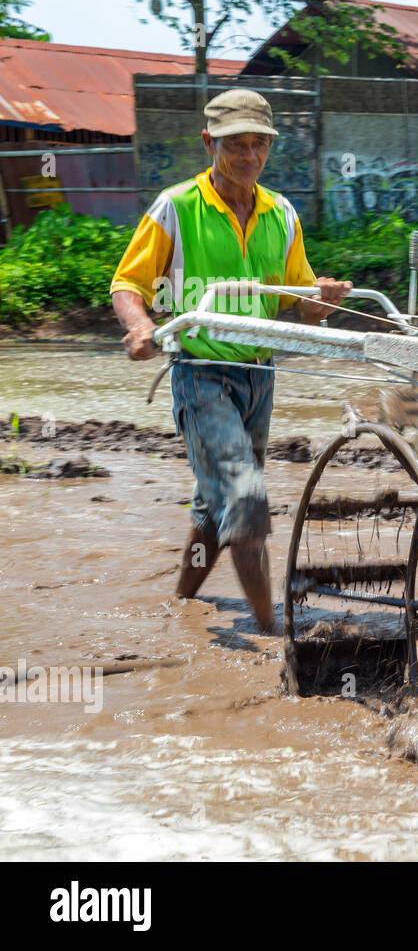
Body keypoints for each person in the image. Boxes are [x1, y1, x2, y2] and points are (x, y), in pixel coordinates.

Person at [109, 88, 351, 633]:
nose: (248, 156)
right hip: (200, 375)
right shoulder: (176, 208)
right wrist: (141, 325)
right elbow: (128, 282)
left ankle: (180, 608)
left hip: (258, 375)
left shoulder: (281, 213)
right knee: (245, 495)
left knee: (215, 504)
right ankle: (271, 633)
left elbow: (294, 302)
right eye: (234, 145)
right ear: (208, 143)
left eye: (258, 144)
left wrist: (322, 297)